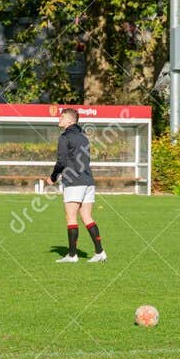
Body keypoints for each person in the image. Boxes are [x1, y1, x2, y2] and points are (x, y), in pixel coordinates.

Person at [50, 107, 105, 263]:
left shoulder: (64, 137)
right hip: (88, 181)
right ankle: (100, 252)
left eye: (61, 117)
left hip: (74, 182)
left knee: (71, 217)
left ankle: (72, 255)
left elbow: (61, 161)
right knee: (86, 216)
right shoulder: (83, 137)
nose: (59, 119)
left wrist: (53, 177)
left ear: (69, 120)